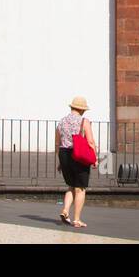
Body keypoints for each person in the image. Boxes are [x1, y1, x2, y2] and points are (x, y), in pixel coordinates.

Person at [55, 95, 95, 229]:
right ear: (82, 110)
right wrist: (94, 158)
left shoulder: (61, 122)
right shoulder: (84, 121)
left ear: (72, 107)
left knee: (71, 186)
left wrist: (60, 161)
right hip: (78, 155)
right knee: (80, 188)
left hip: (64, 154)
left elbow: (58, 143)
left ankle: (65, 211)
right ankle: (77, 219)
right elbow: (90, 141)